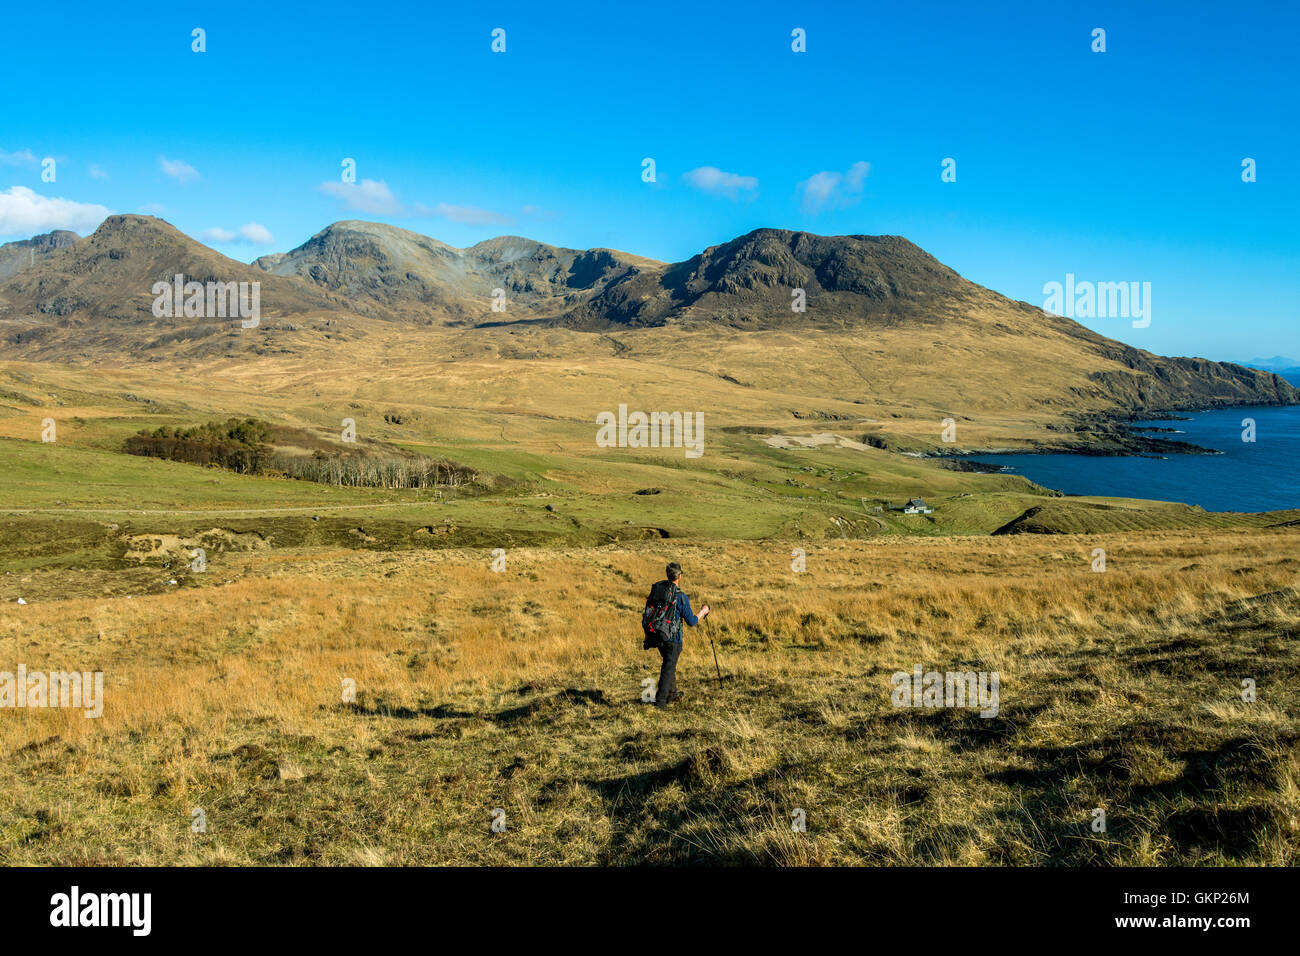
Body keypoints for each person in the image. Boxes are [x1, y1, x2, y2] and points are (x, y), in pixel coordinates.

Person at [650, 561, 709, 708]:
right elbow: (691, 621)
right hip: (673, 638)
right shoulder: (681, 597)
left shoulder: (659, 591)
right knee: (668, 667)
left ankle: (672, 693)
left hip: (658, 635)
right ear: (680, 576)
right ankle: (660, 702)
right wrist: (703, 612)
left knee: (670, 664)